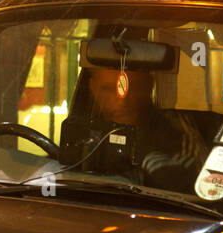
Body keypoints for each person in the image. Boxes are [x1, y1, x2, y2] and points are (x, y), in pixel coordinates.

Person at [70, 44, 209, 194]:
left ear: (149, 86)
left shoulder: (177, 130)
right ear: (94, 89)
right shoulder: (83, 132)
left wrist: (145, 157)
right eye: (109, 89)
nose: (122, 101)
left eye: (133, 88)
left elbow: (193, 188)